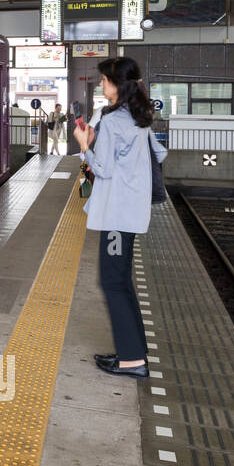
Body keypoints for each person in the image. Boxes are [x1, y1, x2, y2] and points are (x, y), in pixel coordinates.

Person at [73, 56, 168, 380]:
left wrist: (86, 147)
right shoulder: (137, 116)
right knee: (121, 284)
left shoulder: (114, 120)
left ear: (117, 84)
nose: (101, 85)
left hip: (117, 215)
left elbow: (104, 169)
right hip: (130, 211)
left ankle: (131, 361)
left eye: (104, 80)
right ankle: (133, 354)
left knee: (113, 283)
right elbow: (159, 154)